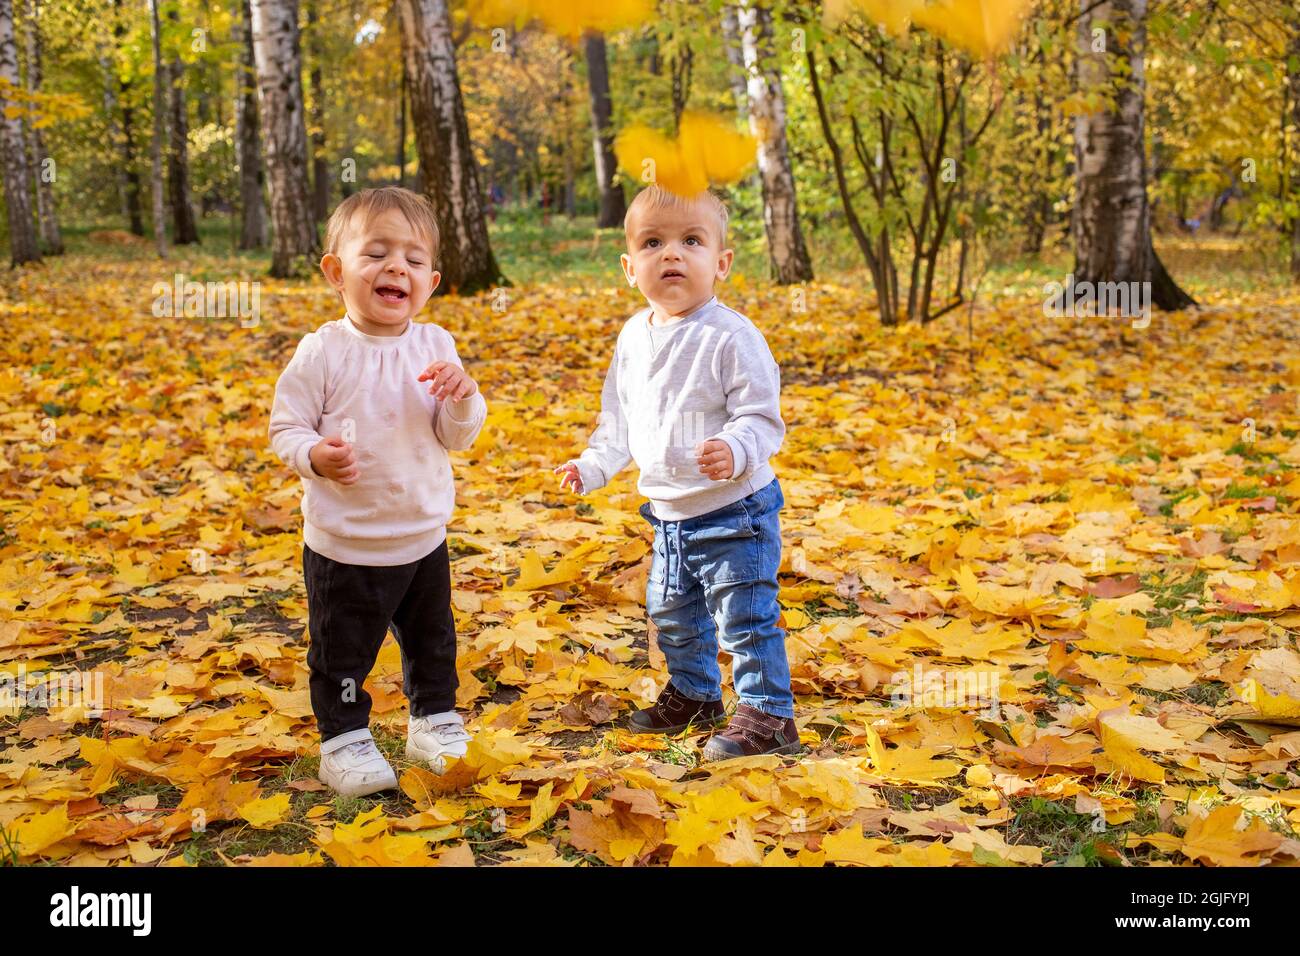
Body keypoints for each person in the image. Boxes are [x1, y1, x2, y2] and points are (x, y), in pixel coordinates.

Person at [554, 184, 799, 761]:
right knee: (672, 612)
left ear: (721, 263)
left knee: (743, 614)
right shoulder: (634, 337)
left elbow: (762, 417)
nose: (671, 254)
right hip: (667, 515)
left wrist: (736, 448)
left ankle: (770, 716)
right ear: (628, 265)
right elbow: (619, 418)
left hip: (733, 509)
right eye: (653, 242)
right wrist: (593, 465)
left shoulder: (730, 336)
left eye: (691, 241)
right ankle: (695, 693)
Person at [269, 186, 487, 796]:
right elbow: (285, 427)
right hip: (347, 545)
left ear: (432, 280)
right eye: (377, 254)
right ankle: (343, 739)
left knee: (433, 641)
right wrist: (313, 455)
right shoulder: (324, 351)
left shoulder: (435, 346)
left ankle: (433, 720)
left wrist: (464, 396)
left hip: (423, 535)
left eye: (414, 260)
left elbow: (457, 436)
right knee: (344, 652)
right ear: (336, 272)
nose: (397, 268)